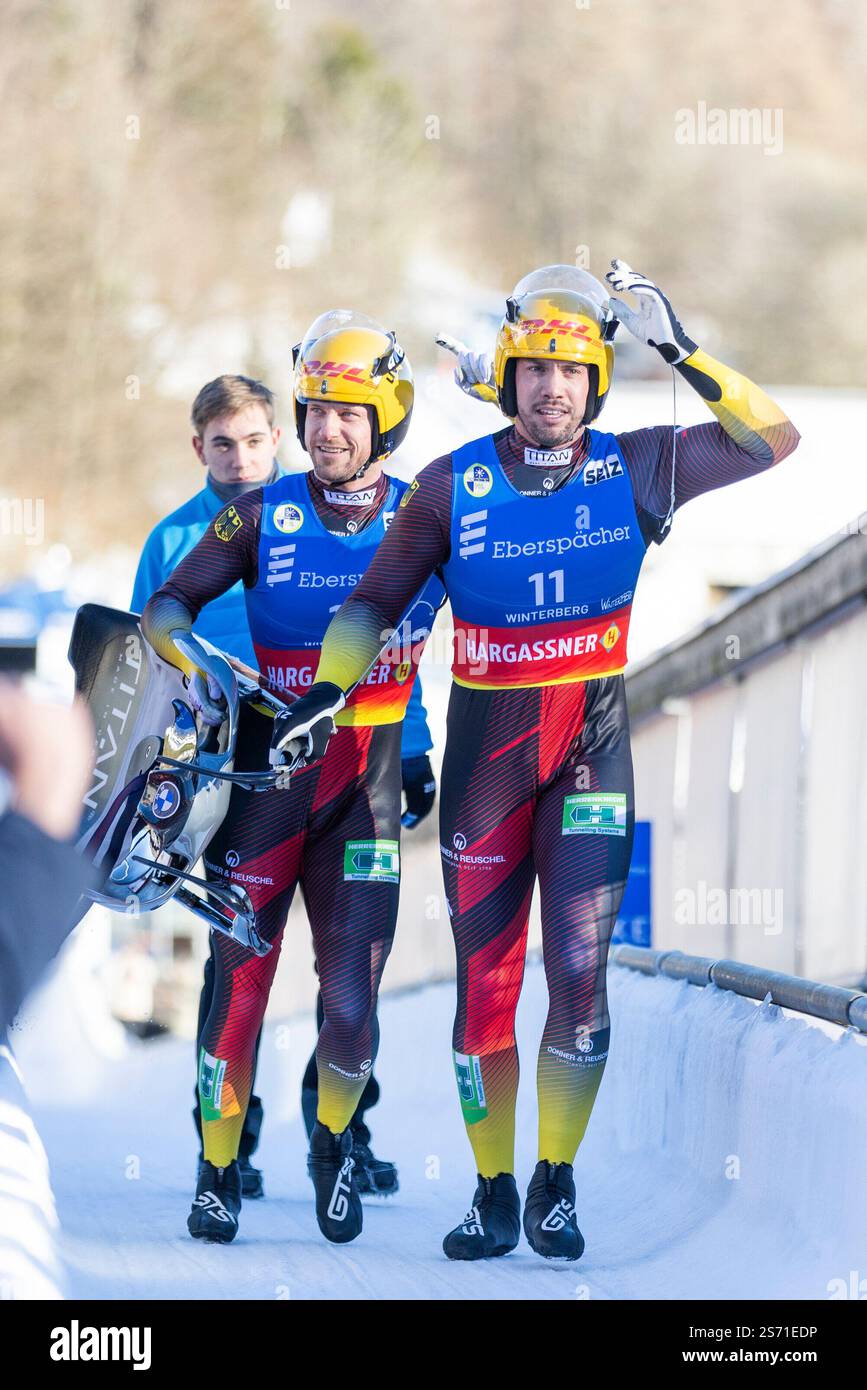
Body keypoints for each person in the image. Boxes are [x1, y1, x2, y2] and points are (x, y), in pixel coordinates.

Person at [268, 261, 801, 1261]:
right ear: (508, 378)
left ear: (595, 383)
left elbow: (772, 437)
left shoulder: (636, 466)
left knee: (583, 978)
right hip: (488, 767)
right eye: (533, 371)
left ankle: (555, 1181)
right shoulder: (448, 485)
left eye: (572, 373)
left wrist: (679, 349)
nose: (551, 390)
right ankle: (493, 1189)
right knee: (487, 989)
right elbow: (370, 608)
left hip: (592, 757)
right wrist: (330, 695)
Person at [141, 311, 443, 1245]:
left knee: (350, 996)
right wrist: (213, 688)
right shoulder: (253, 515)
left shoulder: (427, 514)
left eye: (348, 414)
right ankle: (217, 1167)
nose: (326, 430)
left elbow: (522, 582)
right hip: (265, 777)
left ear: (384, 419)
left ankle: (333, 1147)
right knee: (240, 983)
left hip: (372, 777)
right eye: (313, 411)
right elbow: (163, 610)